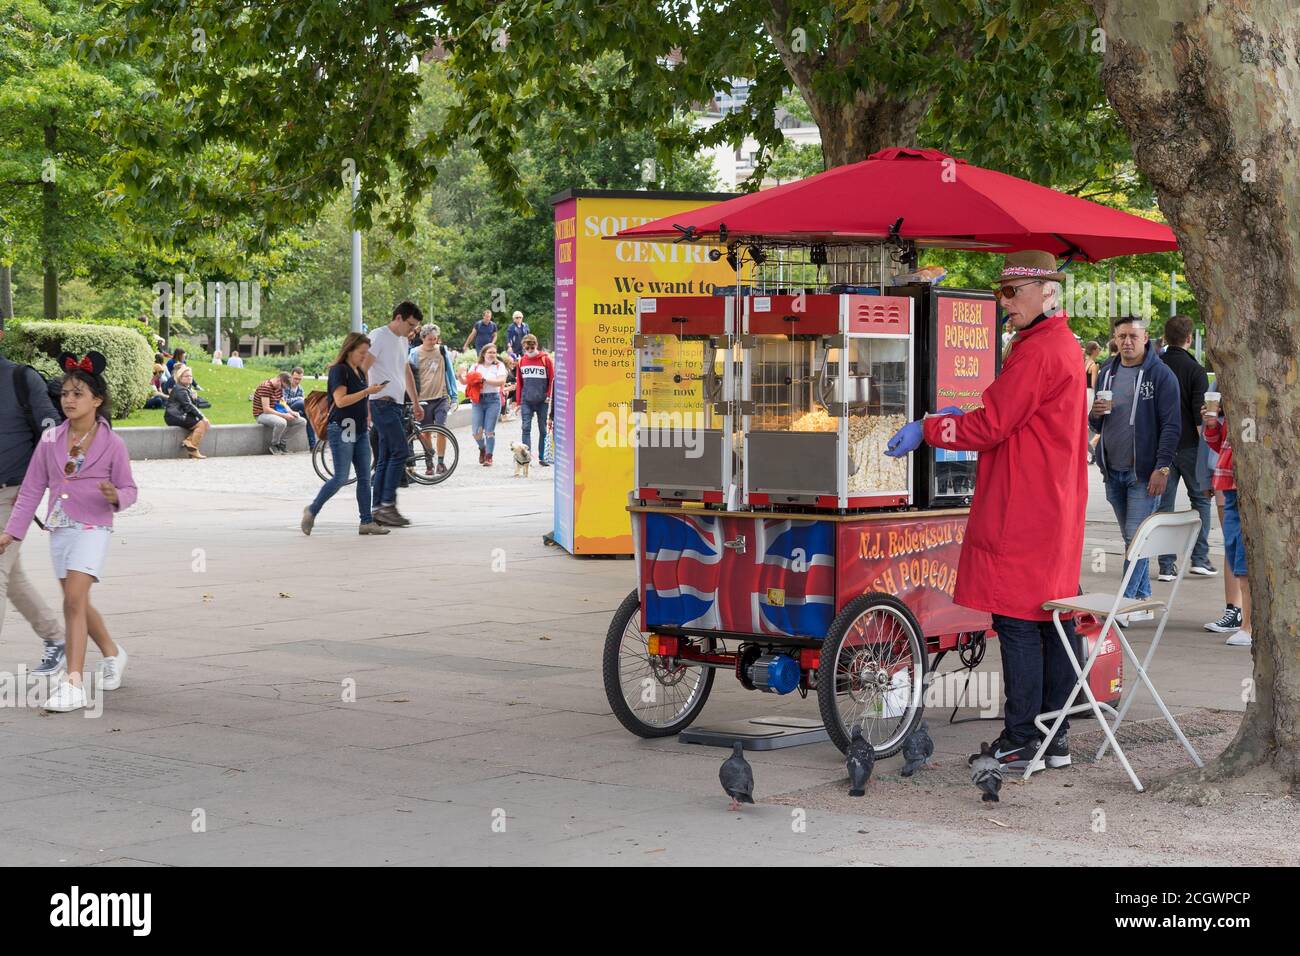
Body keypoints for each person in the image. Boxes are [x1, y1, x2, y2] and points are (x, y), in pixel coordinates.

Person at [885, 250, 1087, 773]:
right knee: (1051, 622)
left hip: (1024, 507)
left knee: (1020, 621)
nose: (1005, 303)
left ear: (1047, 292)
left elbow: (992, 426)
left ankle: (1022, 740)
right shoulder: (1058, 344)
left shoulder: (1039, 350)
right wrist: (958, 417)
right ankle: (1053, 736)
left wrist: (930, 427)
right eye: (1001, 292)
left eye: (1012, 293)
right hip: (1053, 505)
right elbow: (1006, 416)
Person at [0, 351, 137, 713]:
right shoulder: (50, 441)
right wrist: (11, 533)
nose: (69, 400)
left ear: (97, 399)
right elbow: (31, 490)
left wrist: (115, 496)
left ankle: (73, 682)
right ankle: (112, 652)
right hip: (60, 528)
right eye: (64, 394)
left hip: (94, 527)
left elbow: (130, 489)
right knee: (78, 601)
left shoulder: (113, 444)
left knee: (72, 600)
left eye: (78, 394)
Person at [1089, 315, 1181, 622]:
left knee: (1136, 537)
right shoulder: (1105, 372)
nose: (1126, 341)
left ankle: (1125, 605)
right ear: (1114, 339)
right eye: (1121, 336)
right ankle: (1141, 599)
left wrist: (1163, 467)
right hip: (1112, 469)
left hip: (1143, 473)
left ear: (1146, 338)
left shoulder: (1161, 375)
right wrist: (1096, 414)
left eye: (1132, 336)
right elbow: (1095, 422)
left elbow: (1171, 425)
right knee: (1132, 540)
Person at [0, 322, 66, 676]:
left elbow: (51, 431)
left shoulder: (22, 379)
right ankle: (56, 637)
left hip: (11, 494)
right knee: (12, 577)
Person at [301, 333, 390, 537]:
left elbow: (361, 399)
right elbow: (340, 401)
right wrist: (368, 391)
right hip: (342, 427)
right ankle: (312, 510)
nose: (364, 356)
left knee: (365, 477)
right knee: (341, 477)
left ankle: (366, 521)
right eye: (361, 352)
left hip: (358, 429)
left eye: (366, 352)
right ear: (350, 350)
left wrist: (368, 408)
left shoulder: (359, 371)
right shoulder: (339, 371)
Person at [1154, 314, 1215, 580]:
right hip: (1190, 445)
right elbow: (1200, 414)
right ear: (1189, 338)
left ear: (1165, 338)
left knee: (1163, 506)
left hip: (1161, 448)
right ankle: (1199, 558)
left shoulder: (1154, 367)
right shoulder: (1196, 370)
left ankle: (1166, 565)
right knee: (1200, 500)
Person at [364, 302, 425, 527]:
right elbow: (363, 368)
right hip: (381, 403)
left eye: (415, 327)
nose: (411, 331)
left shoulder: (401, 340)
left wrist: (415, 401)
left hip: (396, 405)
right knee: (400, 451)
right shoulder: (378, 336)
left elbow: (405, 370)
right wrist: (364, 402)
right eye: (410, 324)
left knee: (386, 458)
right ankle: (387, 505)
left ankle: (379, 507)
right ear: (398, 318)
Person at [1202, 403, 1251, 646]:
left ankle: (1248, 627)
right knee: (1233, 551)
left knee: (1244, 558)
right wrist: (1212, 425)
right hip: (1227, 486)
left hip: (1246, 487)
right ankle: (1243, 622)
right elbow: (1220, 443)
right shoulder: (1233, 400)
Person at [408, 323, 459, 476]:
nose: (433, 342)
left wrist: (454, 396)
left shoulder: (442, 351)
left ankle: (441, 463)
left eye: (435, 339)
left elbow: (450, 373)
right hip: (423, 398)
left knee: (441, 428)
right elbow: (409, 376)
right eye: (430, 339)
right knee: (425, 433)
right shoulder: (414, 353)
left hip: (441, 396)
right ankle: (429, 461)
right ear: (423, 338)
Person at [459, 343, 507, 466]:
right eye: (489, 352)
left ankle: (489, 456)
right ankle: (482, 448)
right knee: (476, 432)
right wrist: (460, 375)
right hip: (478, 401)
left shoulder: (499, 366)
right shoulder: (476, 366)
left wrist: (484, 380)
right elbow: (466, 381)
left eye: (494, 352)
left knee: (489, 431)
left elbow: (500, 382)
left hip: (493, 400)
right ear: (484, 353)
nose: (492, 355)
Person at [515, 334, 554, 467]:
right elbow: (519, 382)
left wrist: (549, 395)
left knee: (542, 429)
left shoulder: (545, 360)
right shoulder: (521, 361)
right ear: (524, 347)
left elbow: (552, 380)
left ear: (536, 345)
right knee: (526, 428)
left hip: (543, 401)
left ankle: (542, 457)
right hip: (527, 400)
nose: (530, 350)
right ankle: (526, 457)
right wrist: (519, 402)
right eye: (527, 347)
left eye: (532, 347)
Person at [252, 370, 305, 455]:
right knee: (282, 422)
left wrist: (291, 412)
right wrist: (284, 415)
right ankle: (274, 445)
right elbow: (266, 409)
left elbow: (282, 402)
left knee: (302, 421)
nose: (283, 389)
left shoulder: (279, 387)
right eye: (283, 386)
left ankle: (282, 443)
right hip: (262, 414)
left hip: (275, 412)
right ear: (279, 380)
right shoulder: (265, 387)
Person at [164, 365, 210, 458]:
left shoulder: (184, 388)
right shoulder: (180, 389)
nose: (189, 378)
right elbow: (188, 406)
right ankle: (193, 449)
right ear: (180, 377)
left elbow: (190, 406)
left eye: (190, 376)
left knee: (202, 423)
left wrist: (194, 399)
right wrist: (202, 417)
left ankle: (189, 442)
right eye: (186, 376)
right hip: (175, 416)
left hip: (178, 415)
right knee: (202, 424)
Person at [282, 367, 316, 451]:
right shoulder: (286, 386)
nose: (297, 381)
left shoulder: (300, 388)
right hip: (287, 410)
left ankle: (313, 446)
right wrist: (299, 398)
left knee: (308, 418)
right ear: (291, 377)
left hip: (298, 411)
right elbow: (284, 402)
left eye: (299, 379)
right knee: (302, 402)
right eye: (295, 378)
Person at [1084, 341, 1102, 464]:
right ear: (1094, 350)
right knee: (1090, 424)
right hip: (1090, 393)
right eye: (1099, 348)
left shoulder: (1085, 363)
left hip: (1084, 393)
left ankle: (1087, 452)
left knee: (1085, 423)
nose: (1100, 350)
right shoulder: (1094, 366)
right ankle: (1090, 452)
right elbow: (1094, 384)